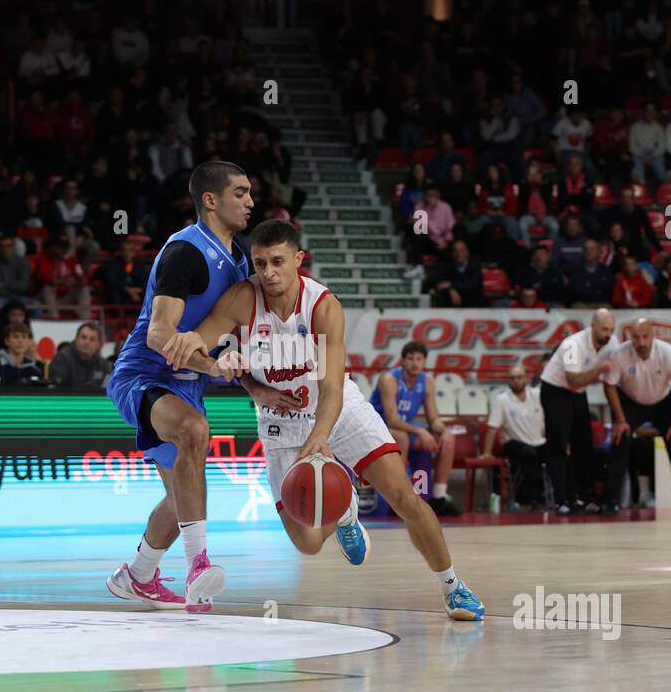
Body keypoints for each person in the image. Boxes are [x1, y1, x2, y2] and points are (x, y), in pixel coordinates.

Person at [171, 220, 484, 619]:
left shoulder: (323, 305)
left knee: (404, 495)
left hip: (335, 408)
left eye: (278, 261)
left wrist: (320, 439)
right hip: (280, 420)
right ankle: (345, 508)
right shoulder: (242, 299)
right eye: (260, 262)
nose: (268, 272)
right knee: (308, 542)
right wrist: (216, 361)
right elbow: (196, 342)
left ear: (298, 260)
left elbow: (333, 388)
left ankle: (453, 587)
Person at [103, 160, 253, 613]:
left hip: (188, 384)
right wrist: (213, 366)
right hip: (143, 375)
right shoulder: (185, 252)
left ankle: (139, 575)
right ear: (211, 200)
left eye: (250, 193)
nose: (250, 201)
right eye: (240, 193)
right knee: (192, 431)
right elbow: (158, 334)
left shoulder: (241, 255)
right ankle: (198, 565)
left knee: (180, 496)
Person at [599, 319, 671, 518]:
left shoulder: (668, 354)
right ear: (630, 337)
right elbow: (609, 385)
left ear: (653, 336)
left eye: (645, 337)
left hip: (664, 400)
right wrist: (619, 419)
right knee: (619, 441)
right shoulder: (619, 355)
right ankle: (611, 502)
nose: (641, 342)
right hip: (631, 401)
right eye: (636, 337)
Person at [539, 308, 618, 513]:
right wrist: (600, 370)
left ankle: (583, 497)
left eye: (611, 330)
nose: (607, 334)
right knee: (558, 445)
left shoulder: (612, 343)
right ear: (592, 326)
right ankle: (561, 500)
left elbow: (609, 376)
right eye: (603, 329)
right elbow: (573, 381)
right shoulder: (573, 345)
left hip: (577, 392)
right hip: (556, 389)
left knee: (583, 445)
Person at [368, 342, 461, 516]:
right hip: (378, 429)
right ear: (403, 361)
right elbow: (392, 420)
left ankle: (439, 498)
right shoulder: (389, 379)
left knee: (448, 439)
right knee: (402, 437)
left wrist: (442, 430)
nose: (415, 363)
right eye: (410, 359)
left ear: (424, 361)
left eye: (419, 359)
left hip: (404, 430)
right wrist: (421, 431)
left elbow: (433, 418)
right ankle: (399, 498)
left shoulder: (427, 381)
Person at [485, 365, 546, 510]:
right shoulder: (502, 400)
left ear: (526, 378)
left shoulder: (537, 395)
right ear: (508, 381)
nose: (516, 381)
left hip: (539, 441)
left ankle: (565, 499)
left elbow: (550, 417)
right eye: (512, 378)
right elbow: (492, 427)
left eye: (519, 377)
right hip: (514, 443)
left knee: (560, 453)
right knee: (529, 455)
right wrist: (486, 452)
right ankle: (532, 499)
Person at [50, 321, 110, 388]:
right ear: (76, 339)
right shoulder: (61, 359)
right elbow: (56, 389)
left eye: (92, 339)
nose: (87, 342)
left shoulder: (103, 365)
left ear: (98, 344)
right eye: (83, 337)